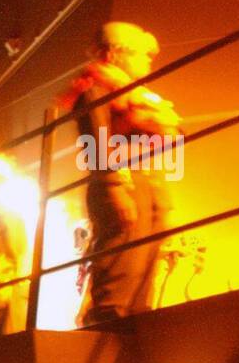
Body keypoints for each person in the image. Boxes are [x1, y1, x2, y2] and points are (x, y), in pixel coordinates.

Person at [57, 22, 182, 324]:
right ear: (114, 54)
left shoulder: (134, 96)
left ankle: (131, 335)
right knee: (121, 275)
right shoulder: (95, 87)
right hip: (123, 184)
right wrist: (113, 185)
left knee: (142, 278)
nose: (147, 61)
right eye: (139, 54)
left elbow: (177, 130)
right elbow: (97, 139)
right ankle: (107, 335)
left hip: (144, 184)